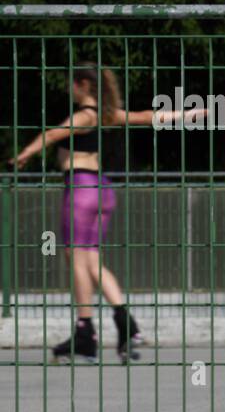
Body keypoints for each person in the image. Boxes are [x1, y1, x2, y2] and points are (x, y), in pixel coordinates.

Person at [7, 63, 199, 363]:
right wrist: (188, 115)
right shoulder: (107, 114)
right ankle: (127, 325)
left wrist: (23, 155)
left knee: (76, 257)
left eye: (73, 83)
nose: (71, 89)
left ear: (83, 84)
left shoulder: (84, 115)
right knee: (93, 260)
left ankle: (85, 333)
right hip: (103, 189)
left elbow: (53, 134)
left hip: (80, 187)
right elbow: (147, 117)